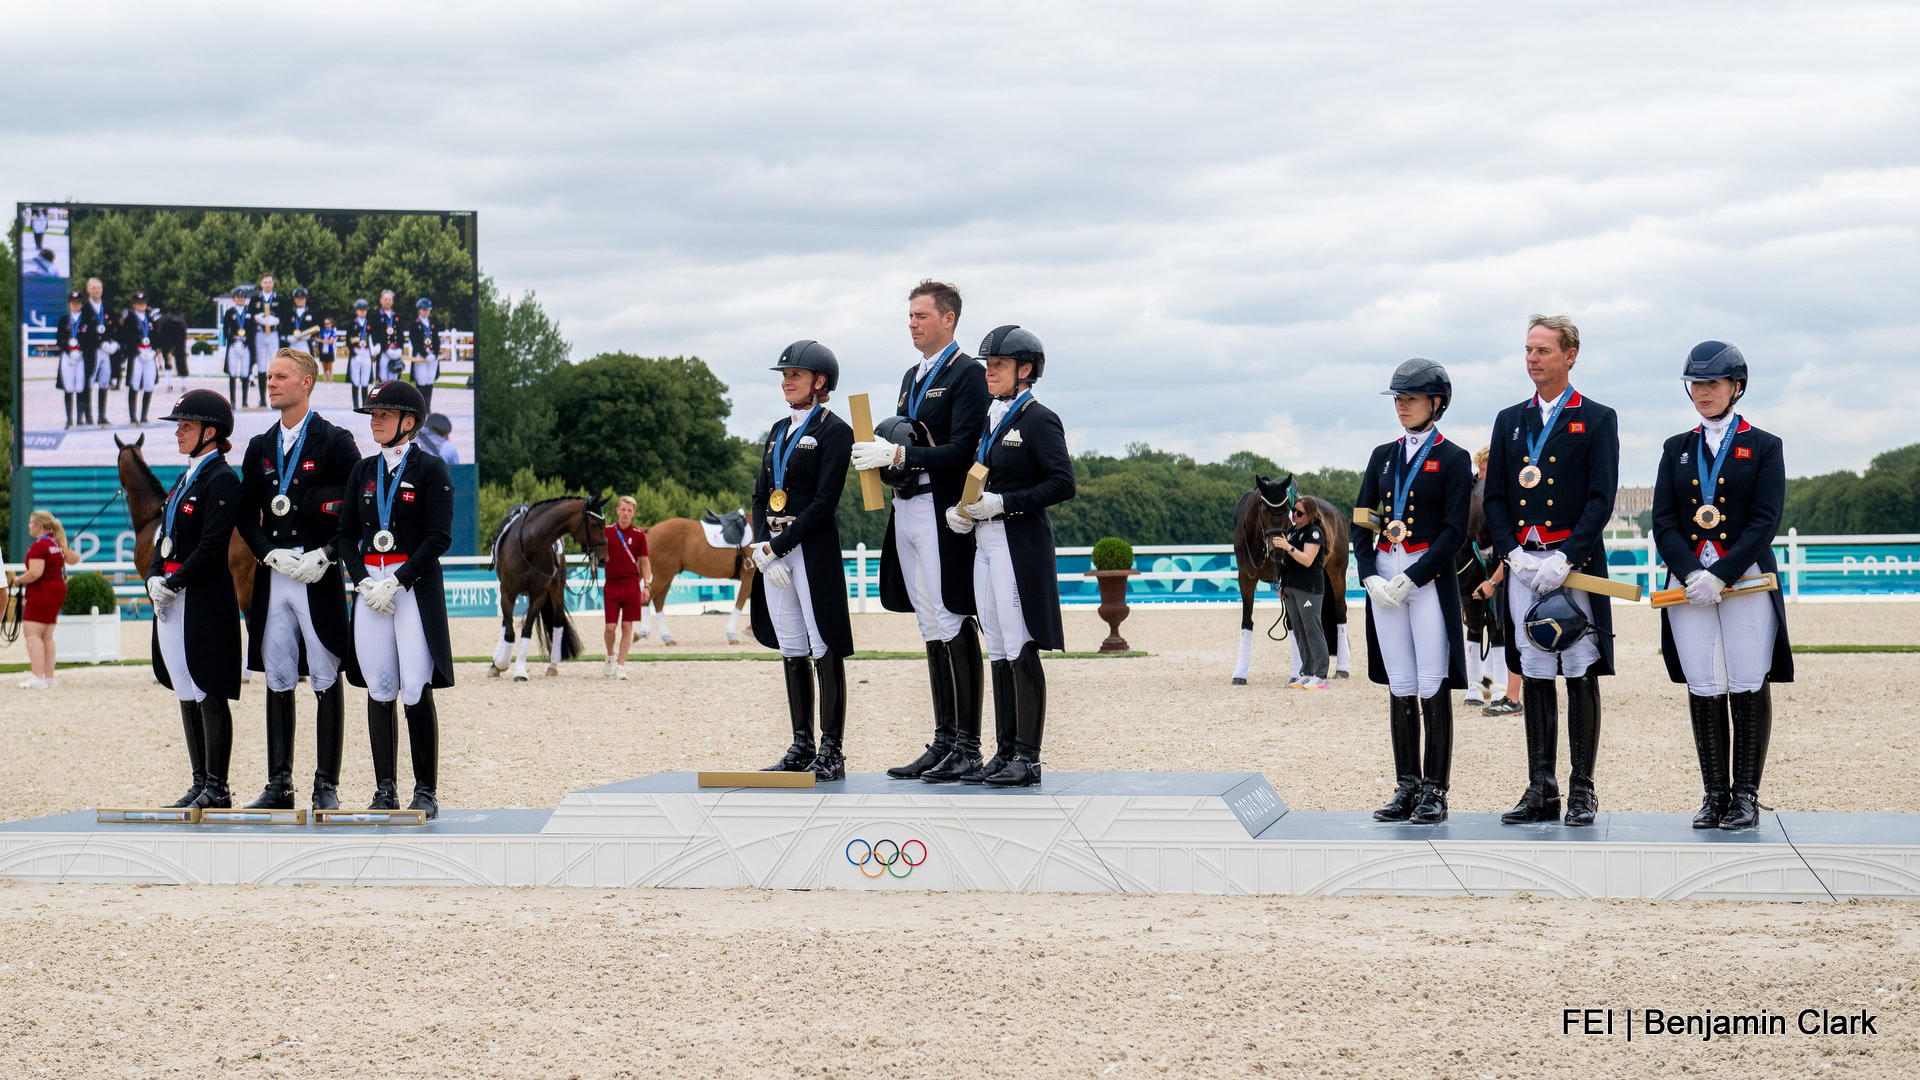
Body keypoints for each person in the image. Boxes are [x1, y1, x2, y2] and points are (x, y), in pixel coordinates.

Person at [1483, 315, 1621, 827]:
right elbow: (1495, 497)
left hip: (1571, 565)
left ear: (1570, 354)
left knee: (1579, 667)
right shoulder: (1509, 420)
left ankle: (1583, 789)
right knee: (1535, 668)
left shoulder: (1597, 418)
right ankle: (1541, 788)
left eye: (1542, 350)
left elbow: (1601, 497)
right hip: (1524, 563)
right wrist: (1512, 553)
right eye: (1528, 350)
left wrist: (1568, 558)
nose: (1532, 359)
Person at [850, 281, 989, 781]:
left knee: (952, 616)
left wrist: (900, 453)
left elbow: (963, 450)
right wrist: (883, 457)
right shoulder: (912, 376)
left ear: (948, 319)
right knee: (929, 624)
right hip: (906, 505)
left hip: (939, 506)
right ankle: (944, 740)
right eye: (909, 316)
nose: (911, 323)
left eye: (921, 315)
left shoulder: (968, 374)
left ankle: (969, 746)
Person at [1653, 342, 1792, 830]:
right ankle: (1714, 794)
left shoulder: (1764, 445)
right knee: (1704, 682)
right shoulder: (1676, 448)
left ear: (1737, 387)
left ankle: (1746, 796)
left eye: (1712, 383)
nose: (1702, 392)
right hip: (1690, 581)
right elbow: (1664, 521)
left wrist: (1721, 573)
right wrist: (1694, 572)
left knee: (1747, 679)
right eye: (1695, 384)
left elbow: (1765, 520)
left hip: (1746, 576)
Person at [944, 326, 1075, 786]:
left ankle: (1029, 757)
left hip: (1017, 544)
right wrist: (963, 510)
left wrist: (1004, 503)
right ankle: (1003, 752)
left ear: (1026, 369)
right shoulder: (991, 419)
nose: (989, 372)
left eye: (998, 365)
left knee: (1019, 644)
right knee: (997, 646)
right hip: (984, 541)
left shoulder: (1040, 419)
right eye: (988, 365)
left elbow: (1063, 483)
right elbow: (979, 475)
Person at [234, 348, 361, 811]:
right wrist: (266, 553)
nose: (270, 383)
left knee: (325, 674)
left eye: (280, 377)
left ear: (306, 383)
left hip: (316, 573)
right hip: (276, 576)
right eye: (269, 376)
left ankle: (326, 785)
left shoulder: (335, 440)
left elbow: (356, 507)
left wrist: (327, 555)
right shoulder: (259, 446)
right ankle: (279, 785)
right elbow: (245, 514)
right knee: (279, 676)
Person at [1353, 359, 1472, 824]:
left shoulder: (1454, 458)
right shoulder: (1382, 456)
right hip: (1385, 577)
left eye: (1411, 398)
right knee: (1400, 682)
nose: (1402, 406)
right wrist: (1368, 573)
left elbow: (1454, 531)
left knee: (1431, 680)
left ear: (1436, 403)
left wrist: (1415, 576)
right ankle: (1406, 784)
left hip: (1426, 580)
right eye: (1399, 399)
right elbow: (1363, 519)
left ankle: (1435, 790)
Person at [336, 380, 455, 817]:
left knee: (415, 686)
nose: (375, 421)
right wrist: (361, 580)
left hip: (412, 588)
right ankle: (384, 789)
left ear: (409, 422)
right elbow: (344, 534)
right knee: (380, 688)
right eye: (373, 415)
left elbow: (438, 536)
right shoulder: (363, 471)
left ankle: (425, 790)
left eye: (384, 415)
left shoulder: (431, 470)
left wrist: (399, 580)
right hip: (371, 589)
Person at [750, 341, 856, 782]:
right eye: (784, 375)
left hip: (810, 549)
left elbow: (824, 503)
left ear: (819, 380)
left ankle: (832, 750)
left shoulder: (836, 431)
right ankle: (801, 744)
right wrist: (762, 545)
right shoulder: (778, 430)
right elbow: (761, 496)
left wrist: (779, 547)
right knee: (791, 645)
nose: (786, 381)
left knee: (823, 643)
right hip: (775, 552)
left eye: (794, 374)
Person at [145, 390, 244, 809]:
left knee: (208, 687)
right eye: (179, 426)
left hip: (201, 595)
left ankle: (218, 787)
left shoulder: (221, 479)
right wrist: (153, 575)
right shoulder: (184, 478)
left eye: (186, 426)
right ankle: (199, 780)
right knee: (184, 688)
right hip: (172, 595)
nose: (179, 433)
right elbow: (164, 536)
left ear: (210, 432)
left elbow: (211, 545)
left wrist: (174, 581)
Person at [1461, 445, 1521, 715]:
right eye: (1479, 470)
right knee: (1473, 621)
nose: (1480, 475)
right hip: (1476, 560)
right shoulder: (1472, 493)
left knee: (1500, 625)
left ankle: (1501, 685)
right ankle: (1474, 683)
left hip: (1503, 562)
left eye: (1484, 470)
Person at [1271, 487, 1330, 690]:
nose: (1294, 515)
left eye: (1299, 512)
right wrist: (1283, 583)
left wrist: (1288, 546)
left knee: (1312, 629)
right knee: (1299, 631)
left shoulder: (1314, 532)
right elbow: (1288, 562)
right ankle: (1307, 671)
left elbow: (1307, 560)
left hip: (1308, 588)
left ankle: (1321, 674)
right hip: (1292, 587)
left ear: (1310, 514)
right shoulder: (1292, 532)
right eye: (1293, 511)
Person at [15, 510, 79, 689]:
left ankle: (38, 677)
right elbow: (75, 559)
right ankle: (48, 677)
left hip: (42, 592)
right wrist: (64, 546)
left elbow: (35, 573)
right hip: (56, 591)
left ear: (39, 526)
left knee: (32, 634)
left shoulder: (39, 546)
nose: (29, 526)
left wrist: (18, 579)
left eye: (31, 523)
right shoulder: (56, 544)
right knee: (47, 636)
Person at [602, 496, 653, 680]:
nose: (625, 513)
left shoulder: (639, 535)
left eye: (629, 510)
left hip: (631, 584)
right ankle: (610, 655)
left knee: (627, 625)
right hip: (612, 584)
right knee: (610, 627)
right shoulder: (606, 532)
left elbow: (645, 562)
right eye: (623, 509)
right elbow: (596, 553)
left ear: (633, 513)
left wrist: (646, 585)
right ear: (617, 511)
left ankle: (621, 665)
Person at [56, 291, 103, 428]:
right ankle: (69, 419)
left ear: (81, 304)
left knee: (81, 386)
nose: (75, 305)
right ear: (69, 304)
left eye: (78, 303)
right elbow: (59, 339)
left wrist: (81, 349)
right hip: (68, 356)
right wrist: (68, 349)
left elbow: (92, 339)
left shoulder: (87, 320)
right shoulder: (64, 320)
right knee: (68, 386)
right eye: (73, 303)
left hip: (81, 357)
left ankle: (80, 418)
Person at [117, 291, 161, 425]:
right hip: (137, 354)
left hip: (149, 353)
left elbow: (156, 335)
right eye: (138, 303)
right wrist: (136, 348)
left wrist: (154, 350)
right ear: (134, 304)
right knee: (134, 383)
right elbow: (125, 336)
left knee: (149, 383)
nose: (141, 305)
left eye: (143, 303)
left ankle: (144, 415)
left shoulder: (150, 318)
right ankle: (132, 416)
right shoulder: (129, 319)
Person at [247, 274, 285, 409]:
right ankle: (262, 399)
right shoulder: (255, 299)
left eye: (270, 282)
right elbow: (250, 314)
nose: (267, 284)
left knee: (276, 365)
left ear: (273, 284)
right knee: (262, 366)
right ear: (261, 284)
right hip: (260, 334)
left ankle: (277, 399)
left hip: (273, 334)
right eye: (265, 282)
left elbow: (285, 315)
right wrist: (257, 318)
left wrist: (277, 320)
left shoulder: (279, 299)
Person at [84, 277, 117, 420]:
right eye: (93, 288)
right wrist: (98, 343)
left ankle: (102, 416)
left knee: (104, 381)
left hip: (106, 351)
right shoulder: (85, 309)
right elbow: (85, 331)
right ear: (88, 290)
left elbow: (114, 327)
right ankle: (88, 416)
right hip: (92, 351)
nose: (96, 290)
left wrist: (114, 342)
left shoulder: (107, 307)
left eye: (99, 288)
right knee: (89, 381)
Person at [222, 288, 255, 408]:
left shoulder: (249, 313)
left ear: (245, 299)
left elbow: (253, 330)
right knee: (233, 372)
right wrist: (232, 341)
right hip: (234, 345)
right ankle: (233, 401)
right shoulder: (229, 312)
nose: (240, 299)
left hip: (245, 345)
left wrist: (247, 342)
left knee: (245, 372)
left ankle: (244, 401)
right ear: (234, 299)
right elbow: (225, 329)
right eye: (238, 297)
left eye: (242, 297)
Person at [408, 298, 441, 411]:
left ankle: (428, 406)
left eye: (428, 310)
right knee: (421, 380)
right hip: (420, 356)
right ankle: (420, 406)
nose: (426, 312)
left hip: (432, 357)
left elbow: (436, 340)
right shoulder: (414, 324)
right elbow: (415, 342)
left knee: (430, 380)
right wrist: (425, 354)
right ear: (419, 310)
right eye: (424, 310)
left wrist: (435, 353)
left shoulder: (433, 323)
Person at [372, 290, 406, 383]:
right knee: (382, 377)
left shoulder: (396, 316)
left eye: (390, 299)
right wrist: (385, 348)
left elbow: (401, 335)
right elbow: (376, 334)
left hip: (396, 350)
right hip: (384, 351)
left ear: (392, 301)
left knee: (394, 376)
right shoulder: (376, 316)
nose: (387, 301)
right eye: (385, 299)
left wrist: (400, 348)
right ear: (381, 300)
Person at [347, 299, 375, 410]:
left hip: (366, 352)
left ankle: (365, 404)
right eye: (360, 309)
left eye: (364, 309)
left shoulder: (370, 324)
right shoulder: (352, 324)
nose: (363, 311)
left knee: (365, 379)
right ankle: (355, 405)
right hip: (356, 352)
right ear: (356, 311)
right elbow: (348, 341)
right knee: (355, 379)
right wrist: (354, 354)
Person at [315, 315, 340, 385]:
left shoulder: (332, 331)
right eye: (325, 324)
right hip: (323, 351)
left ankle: (331, 383)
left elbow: (331, 341)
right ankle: (325, 383)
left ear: (331, 324)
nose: (326, 325)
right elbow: (317, 339)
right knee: (324, 369)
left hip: (330, 351)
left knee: (330, 369)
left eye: (328, 324)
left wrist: (322, 341)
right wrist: (323, 341)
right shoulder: (323, 331)